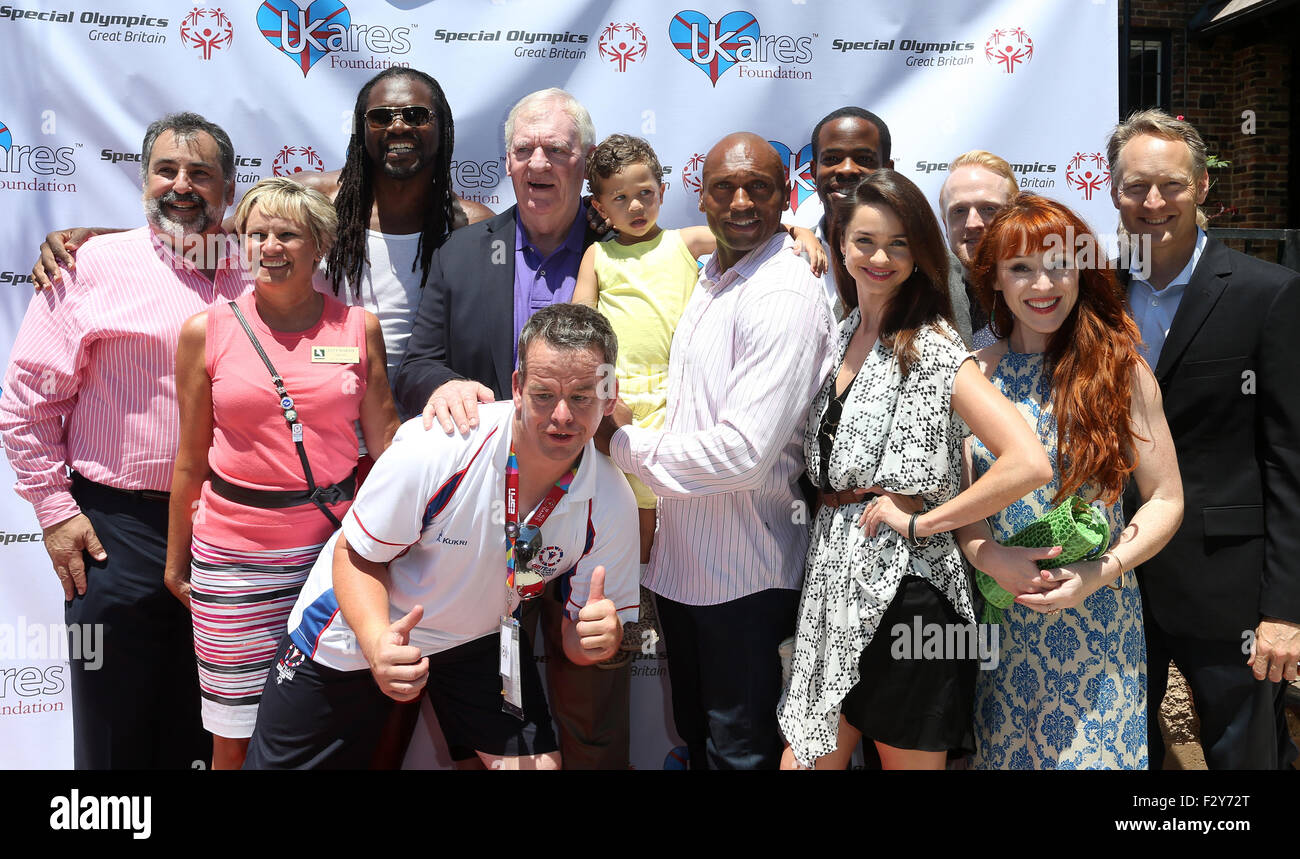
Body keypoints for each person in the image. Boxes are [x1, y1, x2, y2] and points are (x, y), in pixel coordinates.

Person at [243, 303, 639, 769]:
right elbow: (355, 555)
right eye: (543, 394)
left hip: (481, 637)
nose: (562, 416)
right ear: (516, 388)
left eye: (582, 397)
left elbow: (578, 640)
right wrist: (376, 643)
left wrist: (597, 638)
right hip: (357, 629)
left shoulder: (611, 498)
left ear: (608, 400)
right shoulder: (441, 446)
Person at [776, 170, 1053, 770]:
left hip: (911, 599)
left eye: (900, 243)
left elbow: (1028, 461)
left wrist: (927, 523)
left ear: (921, 252)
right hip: (832, 583)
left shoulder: (932, 346)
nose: (880, 256)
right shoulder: (843, 333)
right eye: (866, 241)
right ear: (841, 244)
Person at [0, 112, 249, 768]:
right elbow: (27, 404)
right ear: (143, 181)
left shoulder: (264, 270)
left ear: (229, 186)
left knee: (214, 728)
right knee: (114, 731)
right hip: (118, 531)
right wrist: (56, 514)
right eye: (166, 170)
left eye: (200, 173)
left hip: (231, 530)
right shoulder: (91, 266)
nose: (181, 184)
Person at [394, 88, 632, 769]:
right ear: (505, 161)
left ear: (583, 162)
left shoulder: (628, 250)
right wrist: (442, 386)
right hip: (479, 517)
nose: (538, 161)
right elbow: (417, 362)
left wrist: (798, 235)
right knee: (491, 722)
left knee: (592, 698)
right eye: (524, 149)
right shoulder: (464, 253)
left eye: (556, 149)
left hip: (590, 504)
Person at [595, 132, 837, 769]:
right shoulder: (710, 272)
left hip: (747, 578)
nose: (740, 201)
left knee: (741, 751)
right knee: (700, 740)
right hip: (685, 569)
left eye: (758, 186)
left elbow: (742, 456)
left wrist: (622, 442)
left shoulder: (782, 292)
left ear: (786, 197)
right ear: (698, 197)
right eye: (724, 187)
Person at [162, 177, 399, 770]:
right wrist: (176, 559)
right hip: (233, 559)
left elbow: (389, 449)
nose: (270, 246)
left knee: (326, 724)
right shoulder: (206, 330)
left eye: (287, 234)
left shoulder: (358, 330)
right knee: (234, 733)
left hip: (332, 558)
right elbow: (190, 458)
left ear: (318, 244)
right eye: (256, 233)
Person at [958, 193, 1183, 769]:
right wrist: (987, 556)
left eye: (1059, 262)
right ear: (996, 280)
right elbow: (963, 505)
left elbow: (1165, 499)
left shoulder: (1122, 370)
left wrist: (1095, 572)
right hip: (1006, 628)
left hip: (1100, 616)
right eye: (1021, 268)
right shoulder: (971, 375)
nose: (1043, 284)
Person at [1106, 109, 1300, 769]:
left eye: (1171, 185)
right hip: (1111, 578)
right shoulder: (1092, 294)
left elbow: (1290, 461)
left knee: (1244, 759)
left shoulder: (1267, 294)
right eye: (1136, 186)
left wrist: (1286, 609)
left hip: (1231, 588)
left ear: (1202, 188)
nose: (1153, 202)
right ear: (1112, 189)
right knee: (1122, 754)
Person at [572, 133, 826, 600]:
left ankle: (645, 584)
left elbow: (757, 229)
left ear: (665, 192)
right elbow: (581, 330)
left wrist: (800, 232)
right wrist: (600, 393)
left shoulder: (683, 242)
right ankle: (633, 588)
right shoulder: (598, 255)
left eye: (645, 193)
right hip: (621, 395)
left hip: (675, 395)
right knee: (617, 498)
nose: (635, 206)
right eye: (620, 198)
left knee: (662, 499)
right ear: (601, 207)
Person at [937, 150, 1019, 347]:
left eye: (988, 208)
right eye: (959, 210)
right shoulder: (921, 301)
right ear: (945, 226)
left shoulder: (1045, 294)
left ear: (1015, 217)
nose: (972, 223)